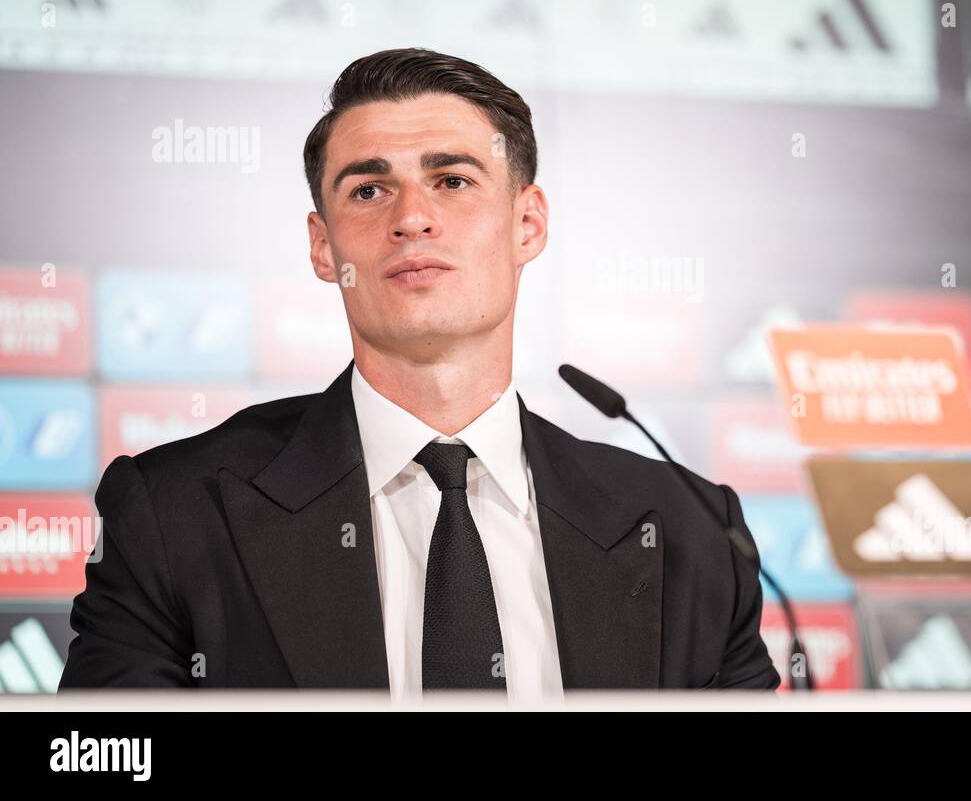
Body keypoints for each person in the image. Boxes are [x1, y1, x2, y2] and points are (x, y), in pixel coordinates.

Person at [59, 48, 781, 697]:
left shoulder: (690, 531)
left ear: (527, 224)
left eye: (453, 181)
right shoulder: (173, 513)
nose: (413, 218)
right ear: (322, 244)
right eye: (369, 190)